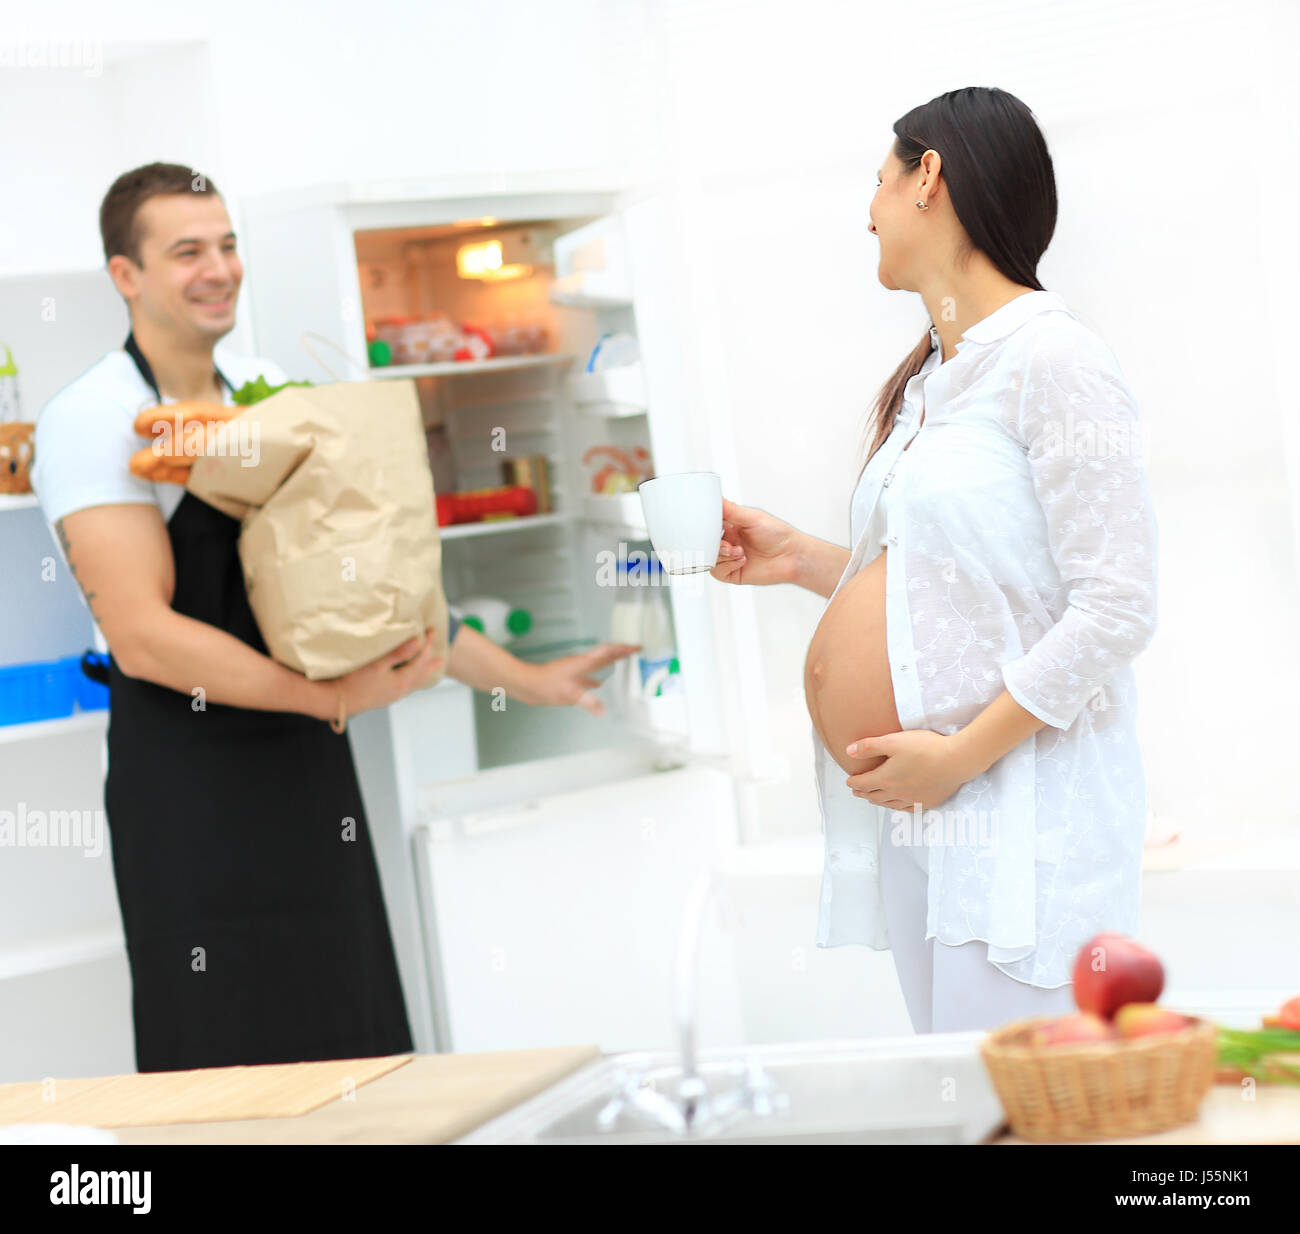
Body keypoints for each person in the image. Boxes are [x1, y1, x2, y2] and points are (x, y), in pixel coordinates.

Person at [32, 162, 637, 1072]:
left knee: (344, 1027)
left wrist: (529, 680)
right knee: (221, 1046)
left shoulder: (267, 390)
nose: (219, 269)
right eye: (187, 250)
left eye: (228, 245)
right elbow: (143, 637)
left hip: (307, 769)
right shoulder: (96, 418)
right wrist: (328, 697)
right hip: (187, 778)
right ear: (128, 276)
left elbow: (368, 592)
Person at [711, 88, 1158, 1034]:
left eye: (879, 182)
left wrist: (957, 758)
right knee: (966, 1112)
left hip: (1019, 828)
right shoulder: (933, 381)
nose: (866, 210)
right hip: (922, 818)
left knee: (1026, 1121)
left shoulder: (1056, 361)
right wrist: (796, 559)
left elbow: (1116, 607)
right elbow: (946, 595)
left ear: (931, 178)